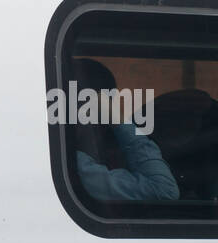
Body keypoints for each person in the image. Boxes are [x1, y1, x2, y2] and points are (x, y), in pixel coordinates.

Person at [71, 59, 179, 201]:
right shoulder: (75, 165)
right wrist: (118, 121)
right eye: (102, 115)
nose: (102, 129)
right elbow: (164, 190)